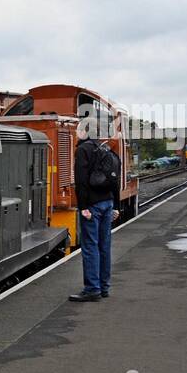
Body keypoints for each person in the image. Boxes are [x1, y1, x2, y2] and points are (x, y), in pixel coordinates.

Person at [68, 122, 121, 302]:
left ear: (84, 132)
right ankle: (104, 287)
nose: (76, 133)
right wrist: (116, 206)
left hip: (92, 206)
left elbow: (81, 182)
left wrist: (83, 207)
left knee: (90, 247)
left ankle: (92, 289)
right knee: (104, 246)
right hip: (107, 203)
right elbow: (115, 180)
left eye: (78, 130)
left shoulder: (83, 150)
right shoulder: (105, 149)